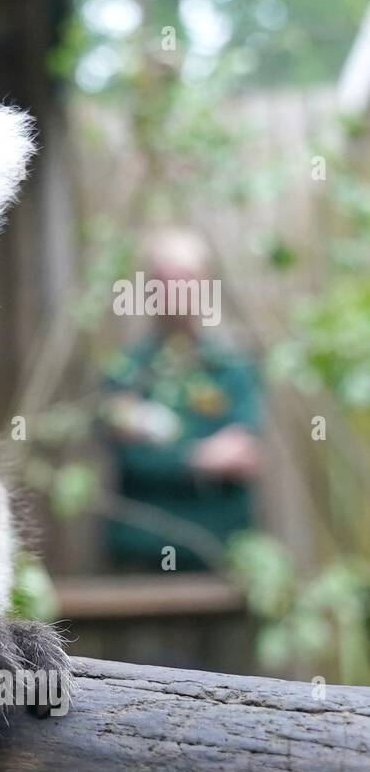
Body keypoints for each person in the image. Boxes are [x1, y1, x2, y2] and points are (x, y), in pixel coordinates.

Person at [101, 228, 262, 571]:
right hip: (142, 552)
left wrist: (165, 450)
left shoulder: (232, 367)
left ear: (205, 285)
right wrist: (201, 457)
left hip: (222, 552)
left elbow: (244, 454)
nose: (176, 293)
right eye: (165, 281)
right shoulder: (127, 372)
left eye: (186, 280)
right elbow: (131, 459)